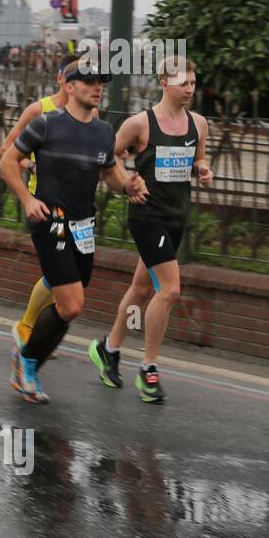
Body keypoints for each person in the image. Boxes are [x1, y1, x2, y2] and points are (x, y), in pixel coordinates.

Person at [0, 59, 146, 403]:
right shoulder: (46, 125)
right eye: (90, 81)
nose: (98, 87)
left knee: (68, 301)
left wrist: (128, 187)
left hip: (83, 226)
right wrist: (26, 198)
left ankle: (28, 350)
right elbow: (7, 159)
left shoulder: (104, 131)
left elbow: (109, 175)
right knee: (73, 304)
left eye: (102, 83)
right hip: (51, 221)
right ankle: (28, 362)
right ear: (69, 86)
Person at [89, 57, 211, 403]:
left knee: (142, 288)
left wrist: (202, 169)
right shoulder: (140, 124)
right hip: (147, 217)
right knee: (169, 291)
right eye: (182, 82)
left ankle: (109, 349)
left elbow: (199, 157)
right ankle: (149, 368)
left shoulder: (198, 124)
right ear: (163, 83)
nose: (189, 89)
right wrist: (128, 179)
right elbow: (106, 156)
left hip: (176, 217)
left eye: (192, 82)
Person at [0, 55, 76, 352]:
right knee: (59, 273)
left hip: (76, 205)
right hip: (45, 203)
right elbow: (7, 149)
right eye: (73, 75)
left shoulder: (88, 116)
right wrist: (29, 165)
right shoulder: (39, 110)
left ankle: (37, 331)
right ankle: (28, 327)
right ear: (61, 79)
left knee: (69, 275)